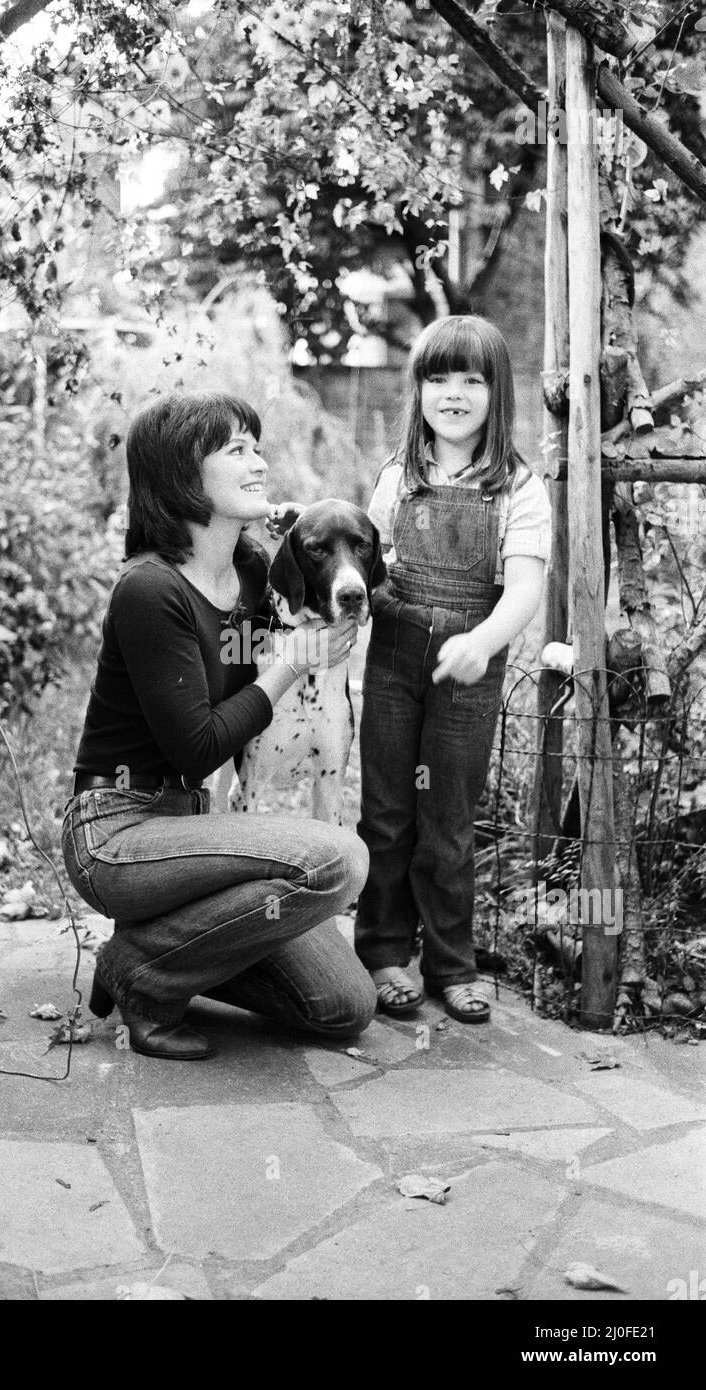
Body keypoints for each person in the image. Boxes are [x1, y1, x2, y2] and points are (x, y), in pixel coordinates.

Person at [61, 390, 375, 1061]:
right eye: (236, 450)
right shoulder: (149, 590)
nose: (258, 461)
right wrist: (289, 666)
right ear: (182, 476)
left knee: (344, 1005)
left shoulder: (255, 573)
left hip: (199, 833)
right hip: (119, 833)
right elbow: (197, 743)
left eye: (256, 447)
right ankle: (142, 973)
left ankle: (168, 946)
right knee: (338, 859)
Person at [355, 315, 552, 1023]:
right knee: (385, 811)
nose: (454, 393)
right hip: (395, 659)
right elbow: (367, 560)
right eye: (438, 378)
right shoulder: (397, 477)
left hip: (470, 668)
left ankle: (451, 963)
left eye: (472, 379)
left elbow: (526, 588)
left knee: (448, 819)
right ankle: (380, 951)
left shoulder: (519, 489)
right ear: (418, 390)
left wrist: (485, 639)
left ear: (498, 392)